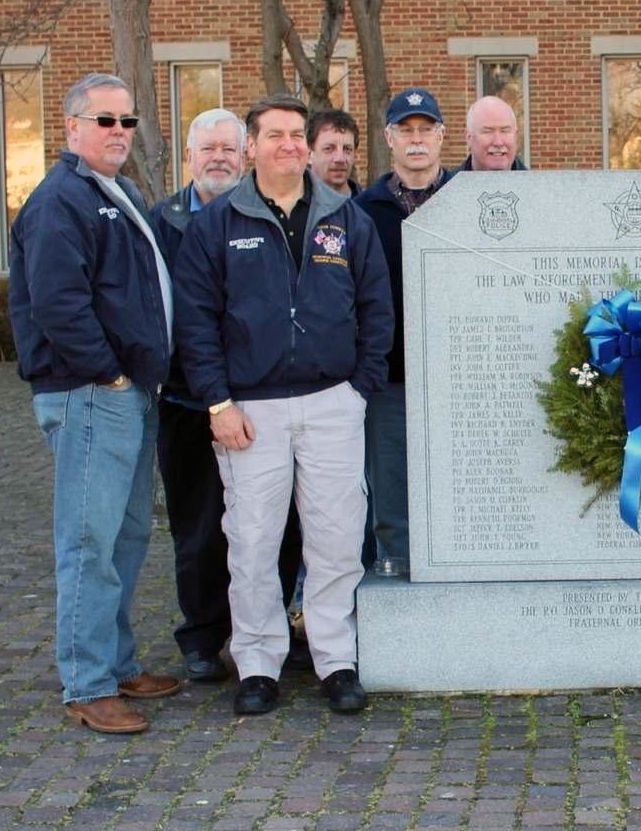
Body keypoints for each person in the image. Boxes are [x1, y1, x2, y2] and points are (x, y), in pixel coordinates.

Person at [173, 94, 394, 716]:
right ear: (252, 146)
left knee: (336, 538)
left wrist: (360, 388)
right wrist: (217, 402)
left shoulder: (345, 218)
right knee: (251, 541)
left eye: (298, 135)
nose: (290, 146)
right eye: (276, 135)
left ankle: (336, 659)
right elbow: (195, 321)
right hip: (251, 411)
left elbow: (376, 308)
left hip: (332, 404)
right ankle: (259, 662)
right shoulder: (218, 225)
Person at [7, 73, 181, 733]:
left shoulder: (119, 191)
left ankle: (116, 659)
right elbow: (58, 302)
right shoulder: (60, 200)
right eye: (103, 120)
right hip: (90, 393)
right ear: (72, 126)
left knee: (128, 534)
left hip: (131, 391)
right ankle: (86, 680)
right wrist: (106, 373)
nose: (117, 132)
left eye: (126, 121)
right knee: (88, 538)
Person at [150, 108, 308, 683]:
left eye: (227, 148)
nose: (217, 157)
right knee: (198, 525)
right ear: (188, 156)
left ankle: (270, 630)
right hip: (190, 402)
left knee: (276, 524)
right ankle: (202, 634)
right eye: (206, 148)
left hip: (259, 402)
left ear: (244, 154)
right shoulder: (161, 222)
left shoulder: (260, 212)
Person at [353, 88, 458, 575]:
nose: (416, 141)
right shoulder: (361, 212)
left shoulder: (466, 202)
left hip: (458, 374)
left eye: (425, 130)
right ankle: (395, 575)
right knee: (390, 490)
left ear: (441, 136)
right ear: (389, 138)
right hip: (389, 379)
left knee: (457, 486)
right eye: (405, 131)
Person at [459, 95, 526, 171]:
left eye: (504, 131)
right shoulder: (451, 183)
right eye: (488, 132)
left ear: (516, 136)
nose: (498, 142)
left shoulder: (537, 183)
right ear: (469, 137)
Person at [307, 108, 361, 196]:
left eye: (347, 149)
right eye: (329, 149)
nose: (340, 159)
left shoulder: (369, 207)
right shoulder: (290, 207)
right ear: (309, 155)